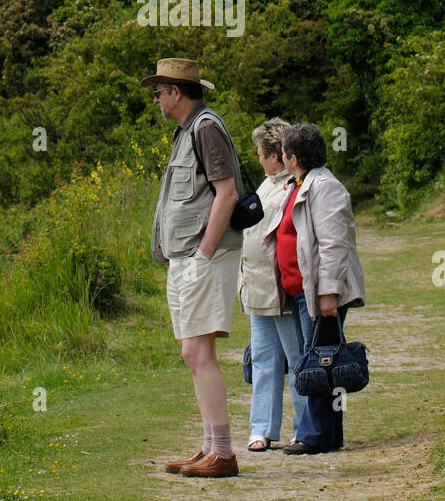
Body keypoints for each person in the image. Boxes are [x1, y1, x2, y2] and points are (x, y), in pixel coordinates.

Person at [143, 57, 244, 479]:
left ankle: (222, 452)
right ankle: (209, 447)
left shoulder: (205, 128)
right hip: (185, 258)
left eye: (159, 92)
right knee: (193, 354)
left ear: (176, 93)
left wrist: (203, 252)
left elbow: (228, 194)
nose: (156, 100)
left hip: (203, 256)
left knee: (198, 353)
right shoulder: (189, 131)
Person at [264, 122, 366, 455]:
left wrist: (328, 292)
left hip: (318, 291)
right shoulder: (299, 183)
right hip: (298, 291)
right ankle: (326, 434)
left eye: (284, 152)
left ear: (292, 157)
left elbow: (334, 244)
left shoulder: (325, 186)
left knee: (320, 361)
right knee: (318, 360)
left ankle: (315, 435)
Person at [237, 118, 305, 451]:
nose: (259, 160)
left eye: (261, 153)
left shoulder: (293, 185)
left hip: (281, 289)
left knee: (296, 359)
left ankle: (304, 427)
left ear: (274, 155)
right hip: (257, 289)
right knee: (264, 359)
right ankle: (261, 428)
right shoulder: (266, 185)